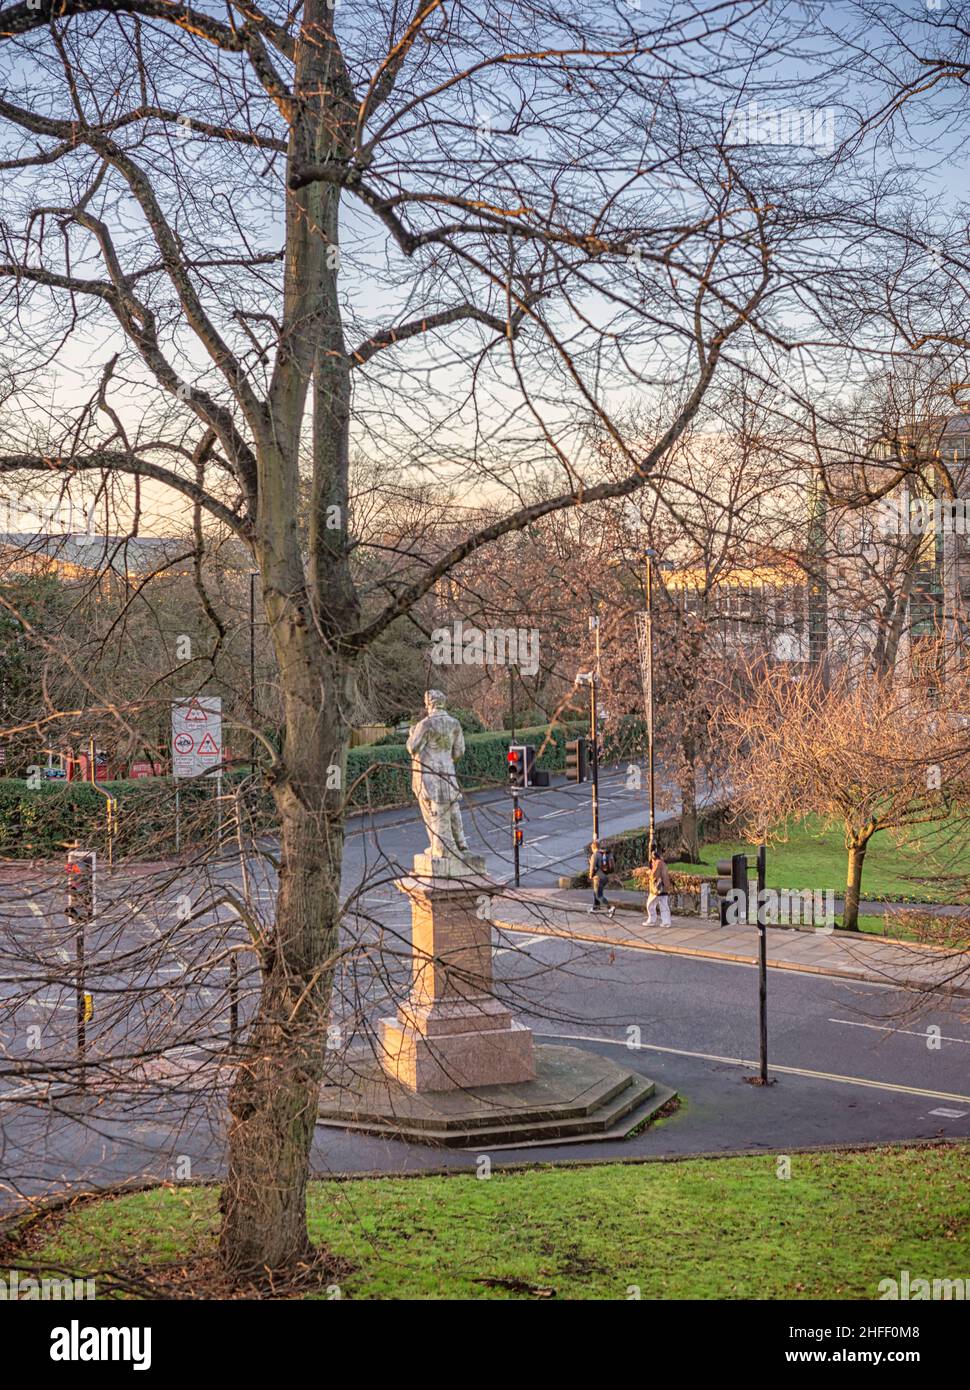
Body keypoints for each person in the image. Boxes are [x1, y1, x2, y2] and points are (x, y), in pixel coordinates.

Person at [643, 848, 672, 927]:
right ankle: (666, 922)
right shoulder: (663, 863)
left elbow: (654, 874)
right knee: (664, 905)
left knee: (650, 905)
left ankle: (651, 920)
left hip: (658, 888)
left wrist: (649, 872)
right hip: (664, 888)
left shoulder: (657, 863)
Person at [587, 840, 616, 916]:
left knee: (598, 895)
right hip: (605, 877)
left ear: (593, 847)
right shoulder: (605, 854)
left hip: (598, 877)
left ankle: (610, 908)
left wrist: (590, 875)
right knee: (595, 891)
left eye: (592, 848)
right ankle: (595, 907)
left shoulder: (595, 855)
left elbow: (592, 867)